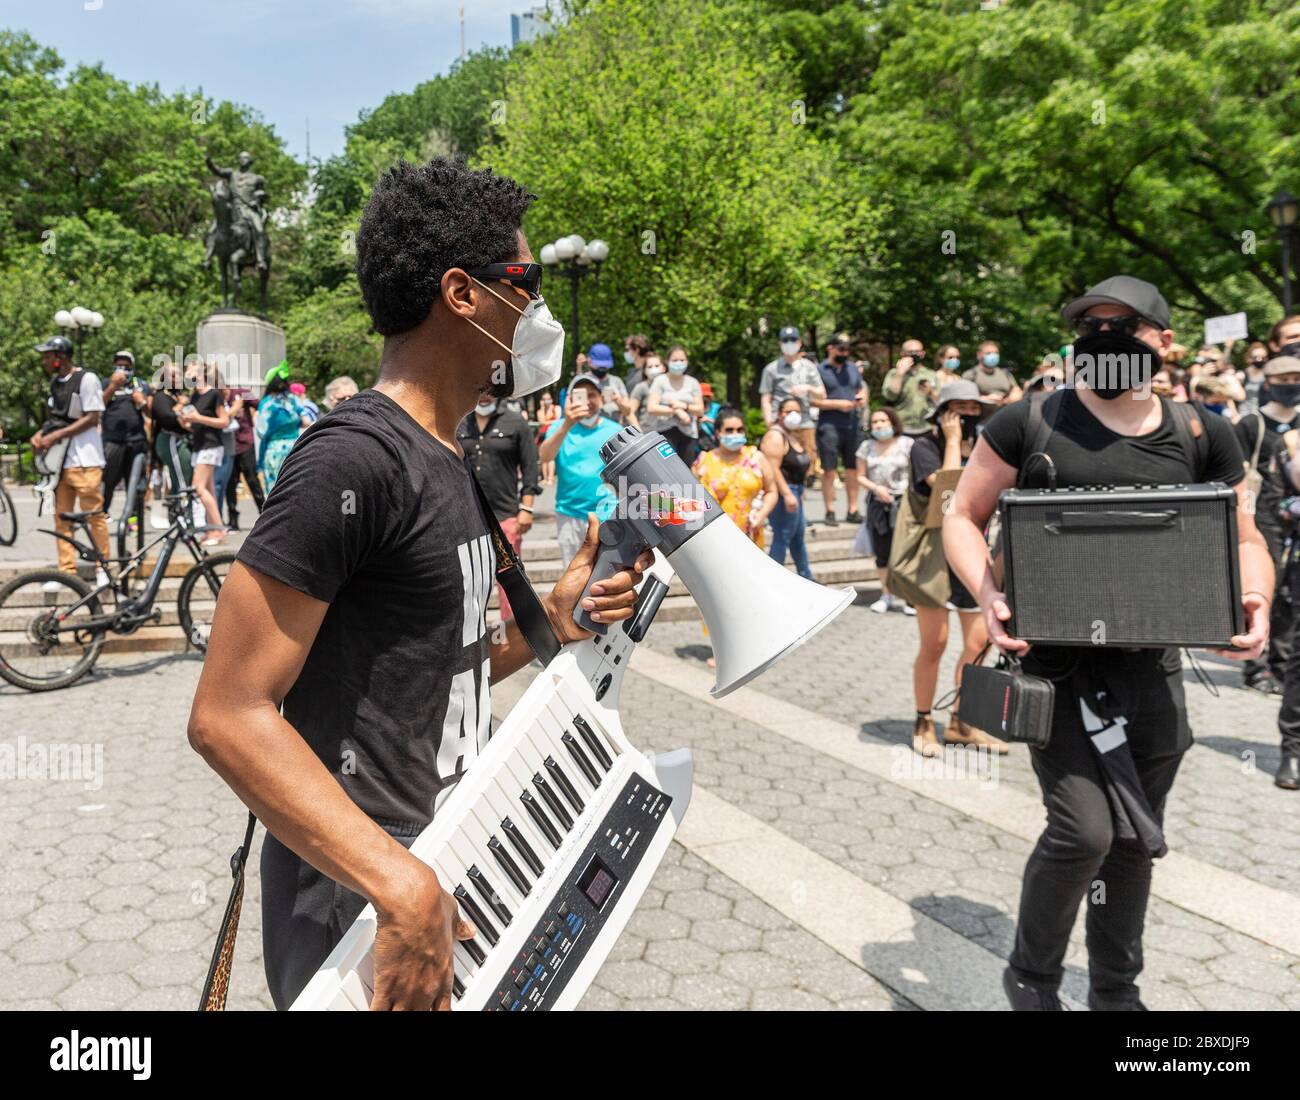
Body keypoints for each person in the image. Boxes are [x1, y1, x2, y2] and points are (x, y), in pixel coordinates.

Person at [188, 156, 651, 1013]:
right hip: (356, 898)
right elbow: (227, 712)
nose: (538, 309)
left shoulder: (453, 455)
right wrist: (397, 887)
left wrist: (550, 620)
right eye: (528, 281)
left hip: (441, 864)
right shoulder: (352, 457)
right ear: (463, 295)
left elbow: (432, 670)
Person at [944, 275, 1271, 1010]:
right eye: (1090, 326)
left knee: (1132, 838)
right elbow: (962, 516)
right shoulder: (1028, 422)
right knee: (1083, 831)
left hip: (1153, 671)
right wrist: (988, 594)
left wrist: (1257, 595)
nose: (1106, 338)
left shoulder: (1201, 432)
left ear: (1163, 342)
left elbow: (1245, 537)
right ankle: (1032, 979)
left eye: (1124, 326)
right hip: (1052, 671)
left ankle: (1117, 993)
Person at [896, 381, 1005, 758]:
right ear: (942, 414)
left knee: (977, 645)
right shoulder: (923, 447)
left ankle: (962, 721)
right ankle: (923, 720)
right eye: (957, 409)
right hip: (933, 560)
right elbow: (948, 497)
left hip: (973, 556)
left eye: (973, 409)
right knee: (935, 643)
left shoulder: (985, 449)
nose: (966, 417)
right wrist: (952, 442)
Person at [693, 406, 778, 668]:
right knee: (720, 597)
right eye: (729, 430)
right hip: (715, 543)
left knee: (750, 593)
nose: (735, 434)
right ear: (718, 433)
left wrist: (762, 514)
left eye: (739, 430)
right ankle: (724, 649)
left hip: (750, 538)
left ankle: (755, 646)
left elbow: (772, 490)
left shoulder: (756, 457)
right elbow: (688, 497)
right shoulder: (705, 462)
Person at [30, 335, 110, 581]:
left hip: (85, 459)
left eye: (47, 355)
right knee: (61, 517)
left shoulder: (87, 379)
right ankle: (67, 571)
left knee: (93, 515)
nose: (44, 360)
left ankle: (102, 567)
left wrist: (56, 436)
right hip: (61, 463)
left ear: (60, 357)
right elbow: (57, 418)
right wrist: (41, 434)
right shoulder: (55, 383)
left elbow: (92, 417)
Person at [457, 392, 541, 620]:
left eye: (490, 390)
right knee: (472, 581)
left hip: (506, 516)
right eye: (479, 390)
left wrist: (527, 508)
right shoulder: (460, 422)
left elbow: (531, 467)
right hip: (468, 517)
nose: (483, 396)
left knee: (510, 582)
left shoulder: (516, 422)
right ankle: (475, 641)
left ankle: (515, 637)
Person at [539, 373, 622, 566]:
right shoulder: (559, 427)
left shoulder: (615, 429)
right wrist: (567, 424)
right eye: (580, 395)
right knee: (573, 571)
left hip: (607, 512)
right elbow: (545, 456)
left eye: (592, 394)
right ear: (569, 399)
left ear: (601, 398)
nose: (587, 401)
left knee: (607, 570)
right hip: (569, 513)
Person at [855, 406, 913, 613]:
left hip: (903, 502)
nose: (879, 425)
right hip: (877, 503)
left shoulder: (907, 444)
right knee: (882, 552)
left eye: (883, 421)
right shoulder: (866, 446)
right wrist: (876, 488)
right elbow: (860, 475)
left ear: (892, 423)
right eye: (875, 422)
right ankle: (887, 594)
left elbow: (916, 472)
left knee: (905, 551)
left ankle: (909, 597)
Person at [814, 331, 867, 526]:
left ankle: (853, 509)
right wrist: (838, 404)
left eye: (847, 349)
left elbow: (860, 389)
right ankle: (830, 510)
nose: (845, 352)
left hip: (852, 425)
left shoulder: (852, 368)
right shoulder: (819, 370)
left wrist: (862, 398)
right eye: (841, 348)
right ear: (830, 348)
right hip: (829, 426)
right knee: (829, 470)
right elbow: (813, 401)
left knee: (853, 469)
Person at [760, 396, 813, 579]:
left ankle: (807, 577)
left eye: (797, 411)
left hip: (795, 491)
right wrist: (788, 494)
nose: (794, 415)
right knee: (782, 537)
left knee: (797, 538)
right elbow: (773, 468)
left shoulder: (794, 435)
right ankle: (773, 579)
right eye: (789, 411)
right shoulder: (776, 435)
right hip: (784, 493)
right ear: (780, 414)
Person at [179, 362, 231, 546]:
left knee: (198, 488)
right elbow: (192, 424)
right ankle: (213, 529)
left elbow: (224, 421)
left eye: (189, 368)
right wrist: (185, 420)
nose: (186, 372)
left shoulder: (214, 394)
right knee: (207, 491)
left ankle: (218, 529)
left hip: (211, 445)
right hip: (199, 445)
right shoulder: (195, 395)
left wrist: (197, 418)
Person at [759, 326, 824, 471]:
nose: (789, 343)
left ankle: (801, 491)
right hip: (779, 421)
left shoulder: (809, 367)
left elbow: (822, 393)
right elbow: (766, 398)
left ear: (799, 343)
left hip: (805, 421)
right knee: (777, 463)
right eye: (786, 340)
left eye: (793, 340)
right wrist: (769, 421)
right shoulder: (771, 369)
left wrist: (807, 388)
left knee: (808, 464)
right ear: (780, 344)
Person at [100, 350, 151, 517]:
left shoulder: (140, 385)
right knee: (108, 480)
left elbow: (152, 412)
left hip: (136, 441)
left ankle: (133, 519)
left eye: (126, 366)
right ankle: (102, 514)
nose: (122, 369)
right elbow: (97, 405)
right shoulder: (106, 383)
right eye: (119, 365)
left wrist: (141, 401)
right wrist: (113, 387)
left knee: (136, 483)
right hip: (113, 441)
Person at [256, 362, 313, 494]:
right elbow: (307, 421)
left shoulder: (267, 403)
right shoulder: (294, 399)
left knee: (274, 488)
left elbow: (261, 431)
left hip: (274, 449)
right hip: (295, 447)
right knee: (294, 486)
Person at [645, 345, 704, 463]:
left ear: (687, 361)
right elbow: (652, 408)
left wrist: (684, 407)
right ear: (667, 362)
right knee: (667, 468)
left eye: (682, 360)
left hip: (688, 433)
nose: (679, 363)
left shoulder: (693, 382)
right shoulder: (660, 381)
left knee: (686, 471)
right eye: (675, 360)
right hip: (664, 431)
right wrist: (676, 411)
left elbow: (700, 410)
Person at [150, 359, 192, 496]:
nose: (177, 378)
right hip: (170, 440)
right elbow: (166, 417)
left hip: (180, 441)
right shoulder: (161, 397)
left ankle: (181, 511)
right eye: (172, 375)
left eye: (179, 375)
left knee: (184, 476)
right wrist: (180, 405)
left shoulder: (177, 396)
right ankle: (181, 512)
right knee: (181, 479)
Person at [224, 383, 263, 529]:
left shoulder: (242, 392)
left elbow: (261, 405)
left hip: (246, 442)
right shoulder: (217, 397)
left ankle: (263, 513)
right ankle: (233, 520)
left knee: (252, 480)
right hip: (229, 445)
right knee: (230, 483)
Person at [881, 337, 937, 434]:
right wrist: (900, 374)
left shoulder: (931, 374)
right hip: (901, 426)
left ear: (923, 354)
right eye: (910, 352)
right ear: (902, 354)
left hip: (925, 427)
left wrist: (930, 392)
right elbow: (890, 396)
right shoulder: (894, 373)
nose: (914, 354)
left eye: (917, 351)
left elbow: (939, 401)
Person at [963, 340, 1021, 405]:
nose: (993, 356)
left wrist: (1011, 398)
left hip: (1005, 411)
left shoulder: (1005, 373)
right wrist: (983, 399)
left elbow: (1016, 390)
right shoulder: (970, 374)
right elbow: (963, 396)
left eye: (996, 353)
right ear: (978, 355)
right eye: (988, 353)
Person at [587, 342, 633, 425]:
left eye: (604, 366)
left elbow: (628, 411)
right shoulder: (581, 382)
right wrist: (598, 402)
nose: (601, 368)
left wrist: (618, 401)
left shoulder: (616, 381)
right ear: (589, 361)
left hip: (614, 429)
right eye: (598, 365)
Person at [627, 350, 665, 431]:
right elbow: (630, 412)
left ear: (664, 368)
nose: (654, 369)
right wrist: (638, 430)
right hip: (648, 432)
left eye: (657, 365)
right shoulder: (641, 387)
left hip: (670, 432)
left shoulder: (670, 385)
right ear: (644, 370)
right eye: (650, 367)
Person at [536, 390, 560, 484]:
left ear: (551, 399)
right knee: (543, 457)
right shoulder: (540, 411)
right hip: (543, 436)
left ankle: (551, 478)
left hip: (553, 435)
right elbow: (541, 421)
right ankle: (545, 478)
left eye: (548, 399)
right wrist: (542, 408)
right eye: (544, 399)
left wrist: (547, 422)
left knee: (551, 457)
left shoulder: (556, 408)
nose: (547, 401)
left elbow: (557, 420)